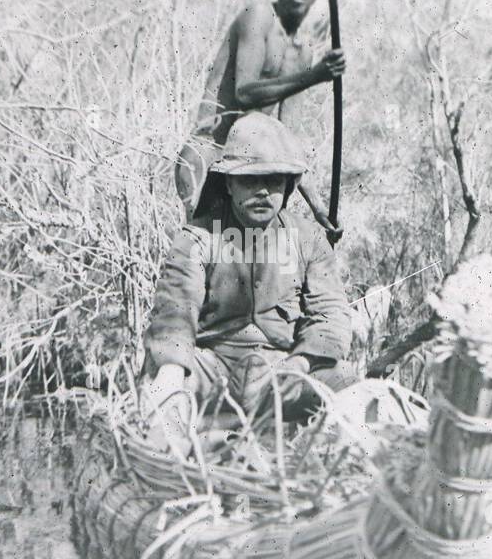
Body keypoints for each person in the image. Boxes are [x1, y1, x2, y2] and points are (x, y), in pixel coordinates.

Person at [146, 112, 356, 432]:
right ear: (229, 183)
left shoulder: (309, 239)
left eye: (273, 180)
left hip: (284, 374)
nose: (262, 192)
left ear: (288, 185)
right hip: (212, 374)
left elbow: (330, 315)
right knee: (159, 389)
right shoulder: (198, 239)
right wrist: (171, 373)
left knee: (350, 388)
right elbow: (175, 310)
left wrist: (301, 362)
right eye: (249, 180)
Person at [174, 0, 346, 237]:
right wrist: (315, 76)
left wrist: (318, 208)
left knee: (256, 265)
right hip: (210, 157)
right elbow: (244, 94)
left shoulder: (302, 53)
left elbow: (287, 138)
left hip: (249, 171)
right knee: (207, 258)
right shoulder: (259, 16)